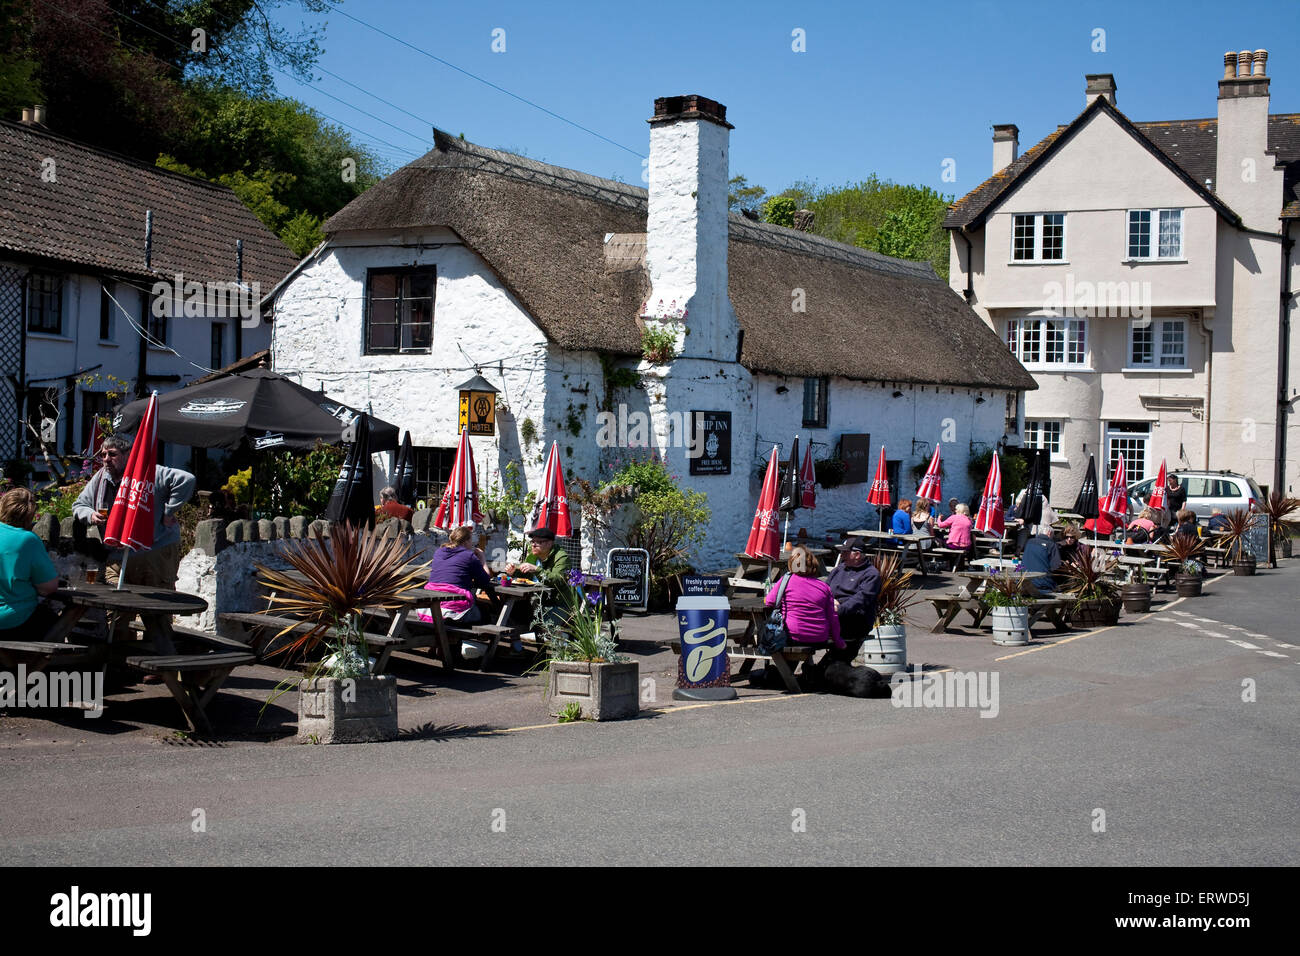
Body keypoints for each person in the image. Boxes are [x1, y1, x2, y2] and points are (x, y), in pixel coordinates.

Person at [71, 436, 195, 588]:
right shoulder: (101, 477)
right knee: (116, 603)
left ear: (127, 454)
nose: (106, 459)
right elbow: (79, 504)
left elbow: (186, 480)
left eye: (112, 454)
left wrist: (169, 512)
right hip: (117, 553)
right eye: (103, 455)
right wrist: (89, 514)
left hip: (153, 549)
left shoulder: (148, 472)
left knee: (154, 605)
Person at [0, 488, 60, 641]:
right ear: (30, 514)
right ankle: (23, 666)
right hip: (13, 619)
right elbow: (49, 587)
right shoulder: (28, 540)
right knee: (56, 626)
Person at [764, 545, 843, 650]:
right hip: (820, 638)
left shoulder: (786, 580)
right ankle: (808, 666)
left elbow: (769, 601)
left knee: (768, 634)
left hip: (793, 636)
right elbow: (832, 617)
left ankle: (783, 666)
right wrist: (838, 641)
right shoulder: (824, 587)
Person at [422, 525, 495, 625]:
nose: (472, 544)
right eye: (471, 541)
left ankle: (455, 639)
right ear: (465, 542)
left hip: (428, 606)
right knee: (486, 614)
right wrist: (482, 558)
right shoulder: (469, 556)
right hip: (452, 609)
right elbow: (485, 580)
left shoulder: (439, 552)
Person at [824, 537, 881, 664]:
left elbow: (861, 599)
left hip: (855, 620)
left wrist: (839, 609)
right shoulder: (839, 569)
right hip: (833, 615)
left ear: (857, 555)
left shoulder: (871, 574)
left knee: (836, 662)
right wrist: (830, 603)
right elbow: (825, 589)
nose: (842, 555)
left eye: (845, 552)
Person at [506, 526, 570, 590]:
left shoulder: (561, 557)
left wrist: (536, 569)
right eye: (533, 541)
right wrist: (514, 572)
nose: (533, 545)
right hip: (532, 594)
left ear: (550, 543)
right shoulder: (533, 556)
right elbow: (526, 577)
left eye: (538, 542)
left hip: (553, 598)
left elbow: (559, 580)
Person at [1019, 526, 1062, 594]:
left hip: (1024, 581)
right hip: (1043, 584)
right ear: (1049, 533)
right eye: (1052, 536)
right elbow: (1056, 566)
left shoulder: (1029, 542)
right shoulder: (1051, 545)